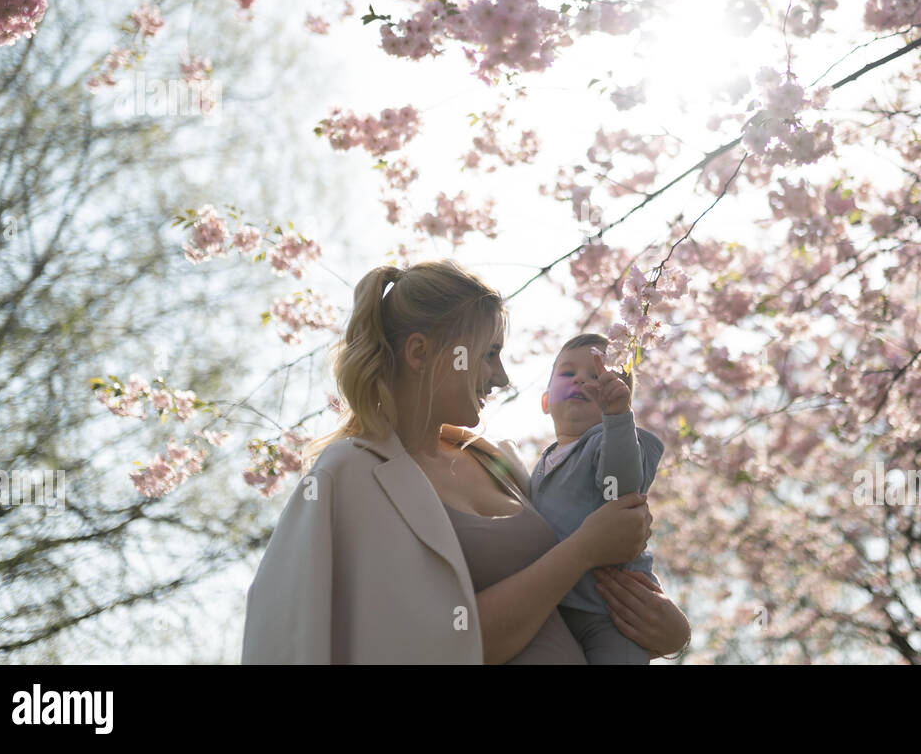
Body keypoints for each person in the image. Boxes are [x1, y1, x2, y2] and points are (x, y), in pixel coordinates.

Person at [240, 259, 690, 663]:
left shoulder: (500, 462)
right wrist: (582, 550)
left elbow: (570, 599)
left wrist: (668, 632)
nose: (502, 377)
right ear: (420, 353)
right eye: (489, 354)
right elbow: (428, 645)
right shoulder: (351, 475)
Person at [531, 333, 664, 664]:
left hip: (610, 612)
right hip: (552, 604)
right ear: (546, 401)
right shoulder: (542, 464)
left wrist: (617, 418)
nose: (581, 379)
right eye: (567, 373)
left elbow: (620, 486)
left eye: (598, 376)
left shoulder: (609, 441)